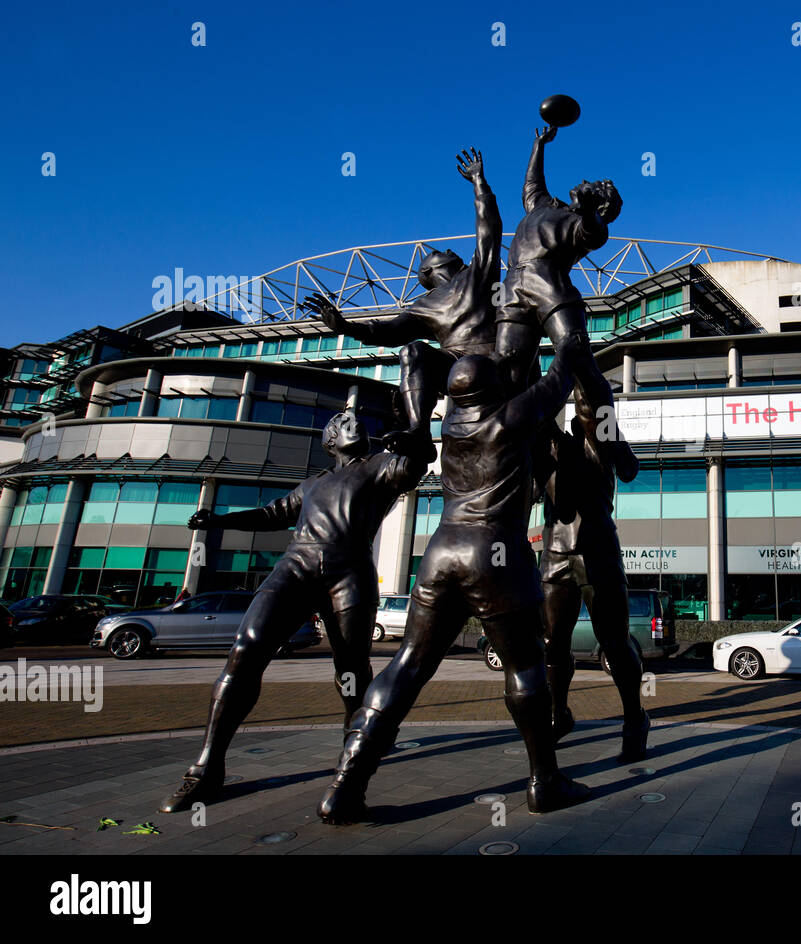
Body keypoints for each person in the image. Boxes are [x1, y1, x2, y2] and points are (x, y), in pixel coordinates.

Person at [317, 347, 590, 824]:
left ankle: (345, 785)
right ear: (493, 389)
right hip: (493, 555)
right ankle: (545, 781)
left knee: (407, 666)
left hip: (441, 553)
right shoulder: (508, 418)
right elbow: (559, 378)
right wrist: (569, 341)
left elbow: (418, 357)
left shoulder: (449, 428)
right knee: (526, 669)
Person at [157, 410, 430, 813]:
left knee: (351, 666)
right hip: (296, 566)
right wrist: (218, 520)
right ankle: (206, 768)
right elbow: (271, 514)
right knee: (247, 648)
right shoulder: (311, 484)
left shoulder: (379, 467)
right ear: (330, 438)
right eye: (344, 419)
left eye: (358, 419)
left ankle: (353, 747)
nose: (355, 421)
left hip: (349, 569)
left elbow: (414, 463)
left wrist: (413, 438)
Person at [302, 147, 500, 456]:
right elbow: (388, 331)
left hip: (493, 358)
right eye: (442, 252)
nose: (448, 250)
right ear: (430, 270)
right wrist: (343, 326)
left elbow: (488, 230)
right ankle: (419, 431)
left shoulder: (477, 274)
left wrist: (479, 182)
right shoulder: (423, 306)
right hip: (454, 364)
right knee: (413, 350)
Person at [493, 124, 638, 483]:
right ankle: (527, 454)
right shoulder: (544, 205)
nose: (588, 182)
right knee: (508, 372)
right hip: (513, 285)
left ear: (600, 205)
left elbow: (593, 231)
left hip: (550, 285)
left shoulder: (583, 224)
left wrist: (592, 212)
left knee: (578, 362)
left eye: (596, 187)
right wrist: (538, 145)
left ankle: (612, 439)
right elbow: (531, 184)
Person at [541, 388, 649, 762]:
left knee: (615, 642)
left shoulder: (602, 439)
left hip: (598, 550)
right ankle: (558, 714)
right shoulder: (545, 439)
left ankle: (635, 717)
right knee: (553, 642)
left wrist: (607, 426)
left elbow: (630, 468)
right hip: (555, 551)